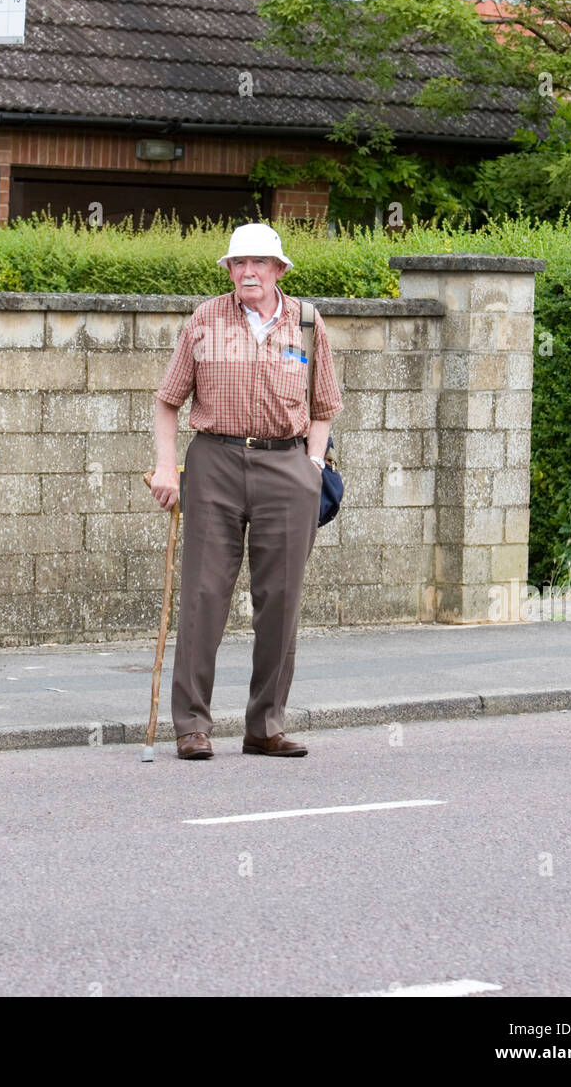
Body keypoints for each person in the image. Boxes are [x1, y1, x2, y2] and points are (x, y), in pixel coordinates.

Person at [151, 223, 343, 759]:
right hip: (213, 460)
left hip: (288, 466)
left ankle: (265, 726)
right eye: (239, 263)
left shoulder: (306, 322)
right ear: (229, 271)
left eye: (259, 262)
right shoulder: (205, 319)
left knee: (280, 601)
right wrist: (167, 468)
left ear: (280, 269)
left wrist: (310, 467)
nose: (248, 272)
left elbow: (324, 407)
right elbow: (168, 401)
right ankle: (192, 725)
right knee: (204, 596)